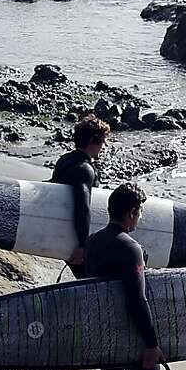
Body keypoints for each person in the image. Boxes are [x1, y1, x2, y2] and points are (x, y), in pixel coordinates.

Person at [58, 182, 166, 370]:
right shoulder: (130, 248)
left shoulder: (93, 242)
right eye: (139, 212)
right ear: (132, 212)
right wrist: (151, 344)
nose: (139, 218)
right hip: (127, 332)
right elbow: (137, 299)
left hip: (101, 331)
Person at [50, 114, 109, 273]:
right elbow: (82, 207)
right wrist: (83, 245)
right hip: (75, 236)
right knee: (91, 280)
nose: (103, 146)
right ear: (92, 141)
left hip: (58, 229)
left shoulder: (65, 159)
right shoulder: (84, 169)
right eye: (102, 142)